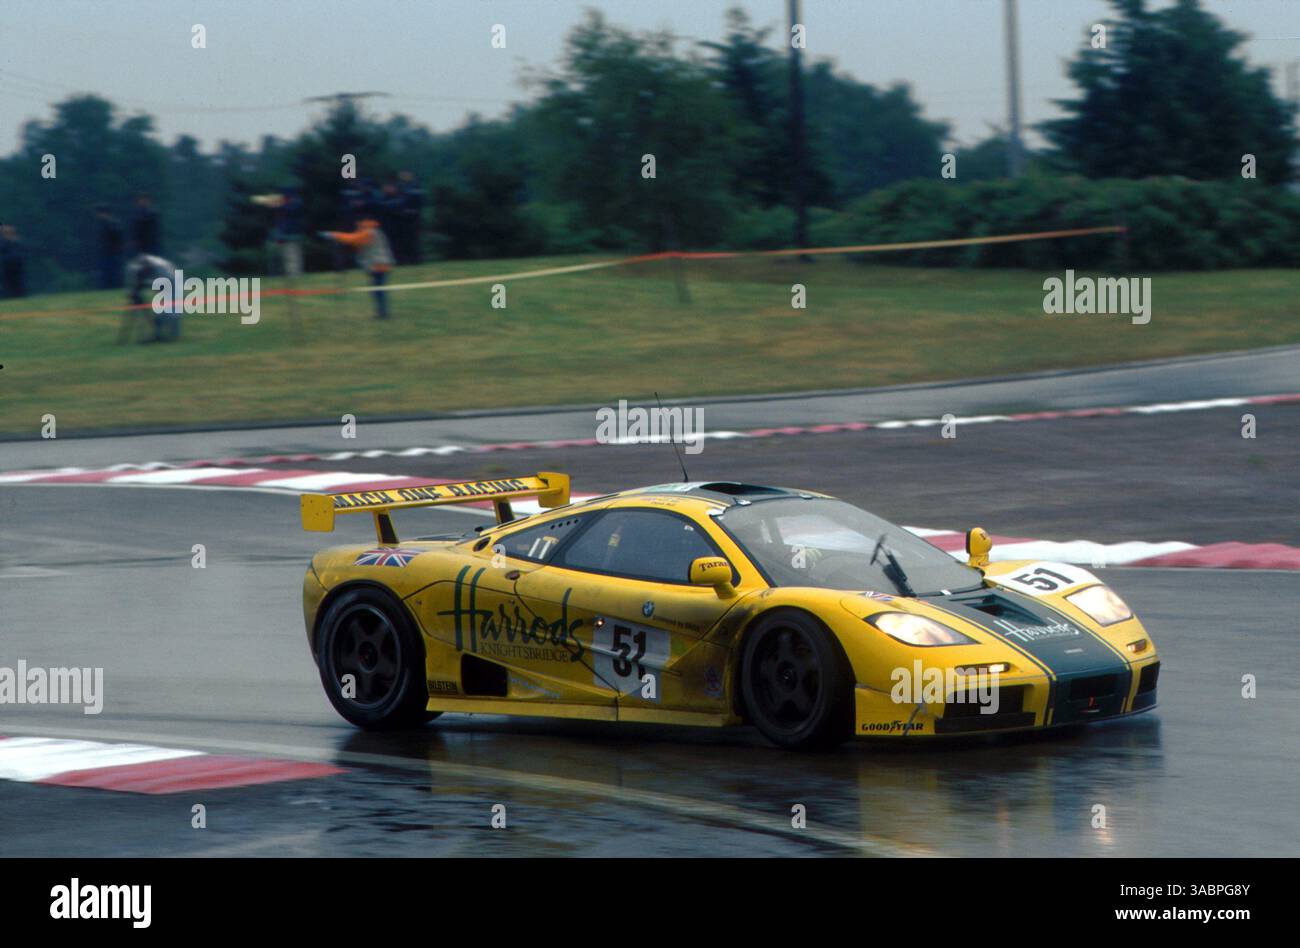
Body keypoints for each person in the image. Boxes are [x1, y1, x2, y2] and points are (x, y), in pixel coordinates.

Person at [320, 218, 394, 319]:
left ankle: (382, 314)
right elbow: (357, 243)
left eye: (359, 224)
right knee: (377, 291)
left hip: (378, 265)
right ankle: (382, 312)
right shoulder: (374, 232)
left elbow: (353, 239)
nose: (357, 226)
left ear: (363, 223)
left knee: (378, 291)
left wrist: (334, 235)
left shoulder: (369, 232)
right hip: (380, 264)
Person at [124, 253, 181, 342]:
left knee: (171, 313)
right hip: (167, 284)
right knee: (159, 312)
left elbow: (163, 283)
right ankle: (159, 335)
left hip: (173, 285)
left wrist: (141, 286)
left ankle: (174, 336)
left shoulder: (160, 268)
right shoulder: (145, 265)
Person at [95, 205, 125, 289]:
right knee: (106, 270)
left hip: (113, 251)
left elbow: (118, 238)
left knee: (114, 270)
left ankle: (116, 285)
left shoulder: (113, 223)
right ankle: (107, 286)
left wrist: (117, 248)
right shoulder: (102, 224)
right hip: (105, 251)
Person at [0, 225, 26, 298]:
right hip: (8, 265)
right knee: (9, 282)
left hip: (15, 265)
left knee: (16, 282)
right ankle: (12, 296)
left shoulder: (14, 242)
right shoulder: (6, 242)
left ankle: (18, 296)